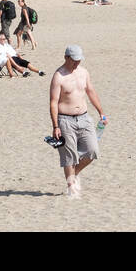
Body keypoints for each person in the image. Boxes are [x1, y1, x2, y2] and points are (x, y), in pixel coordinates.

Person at [49, 44, 107, 197]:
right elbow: (53, 102)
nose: (77, 63)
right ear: (66, 57)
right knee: (69, 156)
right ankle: (71, 187)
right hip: (65, 119)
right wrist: (55, 126)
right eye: (74, 60)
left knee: (92, 151)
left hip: (84, 117)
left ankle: (73, 174)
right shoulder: (59, 76)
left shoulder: (83, 72)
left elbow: (90, 91)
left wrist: (101, 112)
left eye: (79, 60)